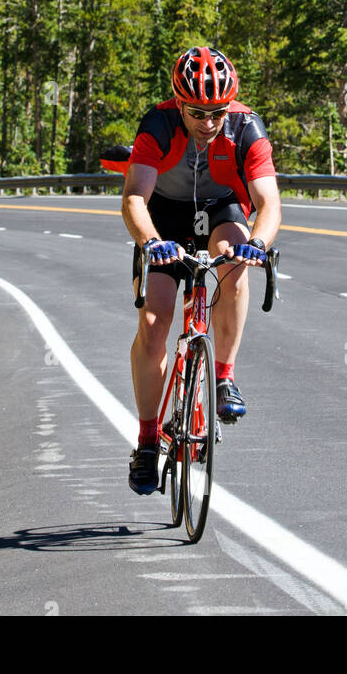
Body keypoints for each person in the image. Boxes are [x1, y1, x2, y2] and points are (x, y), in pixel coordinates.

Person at [114, 46, 281, 496]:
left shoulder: (246, 127)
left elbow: (268, 202)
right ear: (177, 103)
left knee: (235, 257)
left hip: (220, 206)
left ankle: (223, 375)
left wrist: (260, 245)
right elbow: (134, 198)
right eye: (197, 113)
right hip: (164, 219)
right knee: (153, 324)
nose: (208, 124)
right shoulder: (158, 124)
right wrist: (151, 242)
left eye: (217, 113)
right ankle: (148, 442)